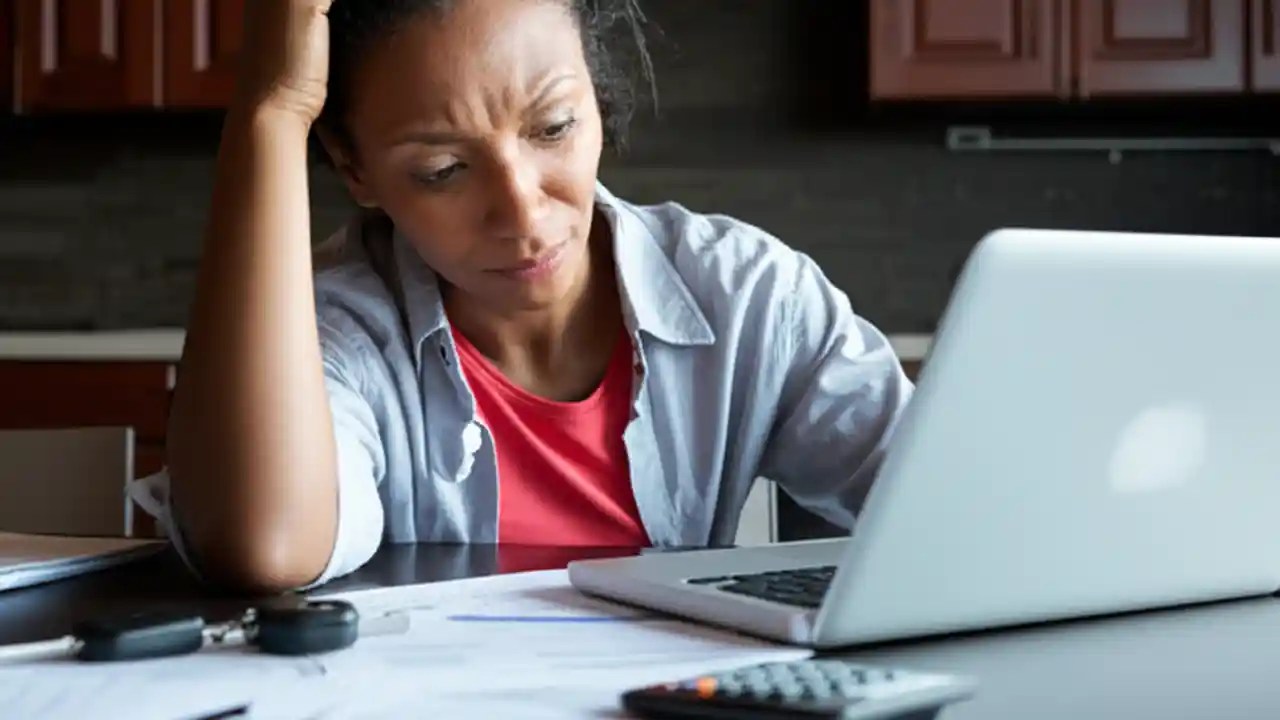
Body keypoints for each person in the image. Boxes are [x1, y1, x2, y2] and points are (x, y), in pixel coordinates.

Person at [146, 0, 914, 593]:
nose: (522, 213)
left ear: (598, 102)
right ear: (355, 171)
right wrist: (272, 111)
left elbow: (958, 506)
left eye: (553, 128)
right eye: (442, 170)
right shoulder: (335, 336)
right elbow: (266, 546)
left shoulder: (747, 296)